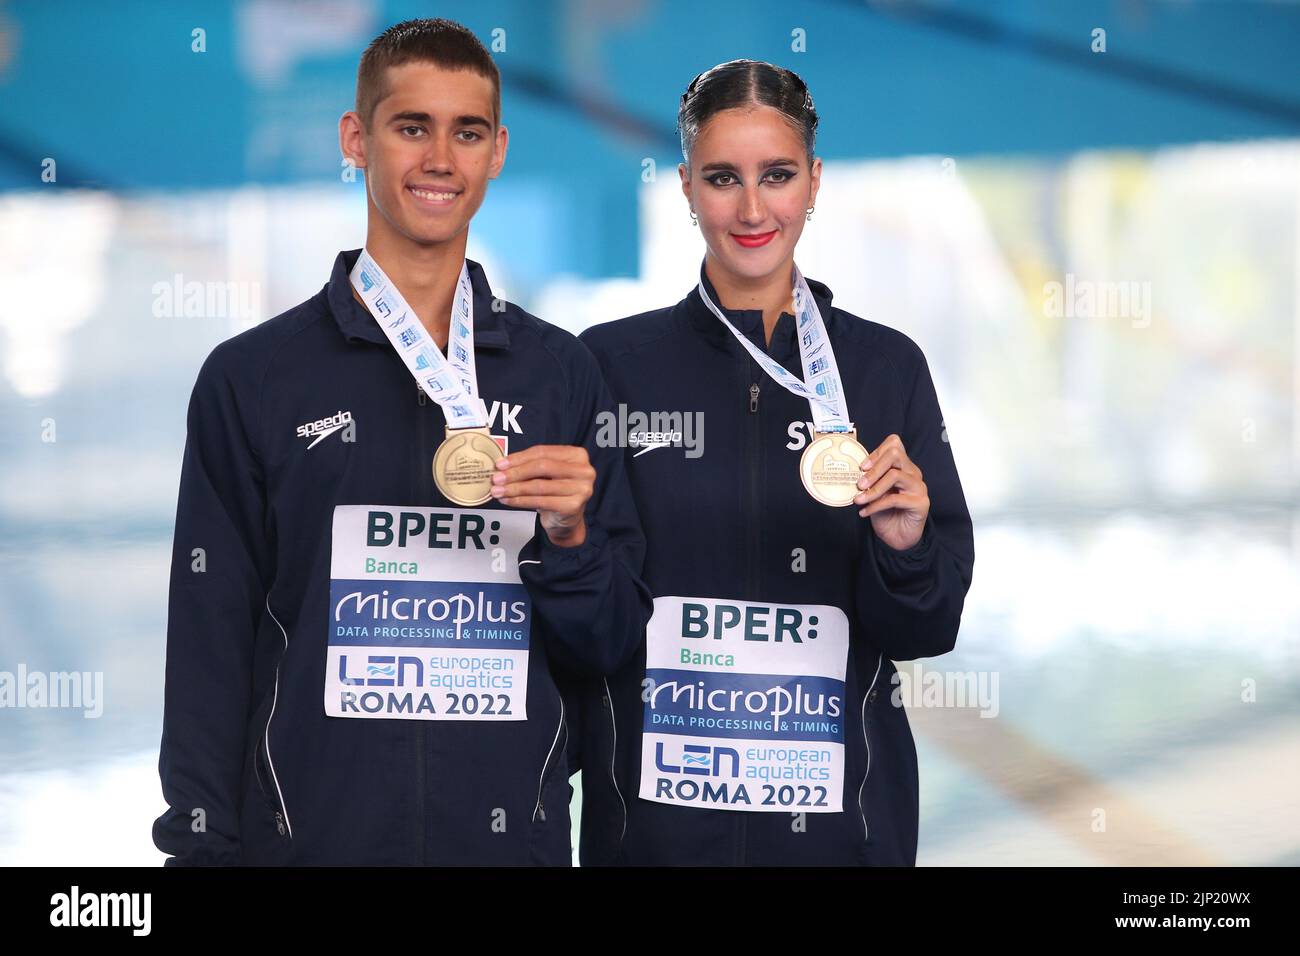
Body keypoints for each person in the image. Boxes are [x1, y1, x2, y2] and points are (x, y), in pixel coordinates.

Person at [152, 17, 650, 866]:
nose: (438, 160)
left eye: (466, 132)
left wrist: (570, 540)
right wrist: (199, 853)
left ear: (497, 150)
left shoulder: (560, 376)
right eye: (411, 127)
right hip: (309, 847)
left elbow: (610, 649)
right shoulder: (255, 378)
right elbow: (209, 648)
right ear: (357, 139)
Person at [576, 59, 975, 865]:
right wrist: (566, 543)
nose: (752, 208)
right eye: (723, 177)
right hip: (657, 836)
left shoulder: (884, 370)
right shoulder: (610, 366)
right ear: (685, 185)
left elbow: (928, 627)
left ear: (815, 182)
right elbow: (590, 631)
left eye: (778, 175)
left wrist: (906, 549)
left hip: (839, 835)